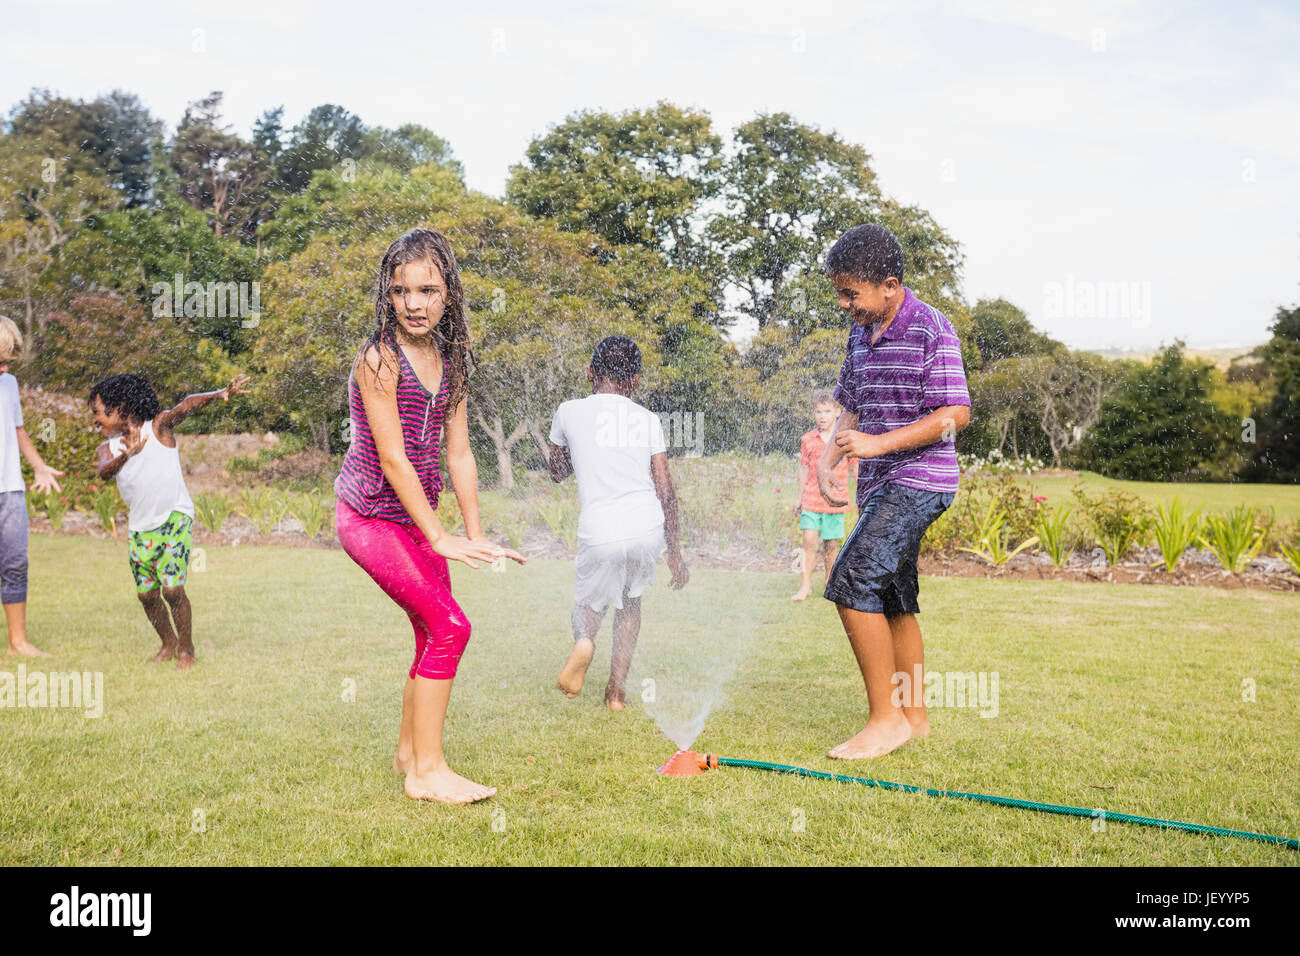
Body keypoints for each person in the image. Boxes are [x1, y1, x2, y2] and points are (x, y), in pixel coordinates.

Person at [334, 228, 523, 805]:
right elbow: (393, 457)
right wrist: (438, 536)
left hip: (418, 521)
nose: (413, 304)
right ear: (387, 296)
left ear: (449, 295)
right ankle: (428, 773)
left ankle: (408, 753)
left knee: (430, 630)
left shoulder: (454, 359)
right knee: (450, 627)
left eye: (427, 290)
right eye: (400, 291)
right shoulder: (378, 360)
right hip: (368, 517)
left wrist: (473, 534)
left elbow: (459, 453)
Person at [816, 224, 971, 759]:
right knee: (893, 599)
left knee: (852, 581)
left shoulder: (931, 328)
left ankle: (885, 722)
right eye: (838, 292)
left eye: (850, 293)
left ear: (888, 284)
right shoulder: (861, 331)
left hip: (921, 481)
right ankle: (914, 718)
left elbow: (955, 415)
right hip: (883, 483)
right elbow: (852, 405)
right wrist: (829, 459)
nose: (843, 304)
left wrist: (879, 446)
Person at [549, 336, 688, 710]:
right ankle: (616, 692)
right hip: (646, 525)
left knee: (589, 606)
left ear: (590, 372)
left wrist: (577, 447)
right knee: (630, 604)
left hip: (601, 526)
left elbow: (557, 472)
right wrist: (674, 551)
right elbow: (665, 488)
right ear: (636, 380)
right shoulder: (647, 419)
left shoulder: (569, 411)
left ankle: (584, 642)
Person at [92, 372, 249, 670]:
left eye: (99, 413)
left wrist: (219, 394)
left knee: (173, 590)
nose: (95, 420)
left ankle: (187, 649)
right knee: (147, 594)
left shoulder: (158, 428)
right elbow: (103, 472)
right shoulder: (108, 449)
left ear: (121, 407)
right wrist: (127, 455)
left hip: (174, 518)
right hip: (140, 528)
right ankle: (169, 642)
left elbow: (185, 406)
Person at [0, 316, 65, 657]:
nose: (6, 366)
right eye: (1, 360)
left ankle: (17, 642)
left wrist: (39, 467)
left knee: (15, 562)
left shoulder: (8, 384)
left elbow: (18, 431)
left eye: (10, 359)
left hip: (9, 489)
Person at [792, 392, 857, 602]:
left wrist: (861, 495)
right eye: (818, 411)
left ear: (838, 413)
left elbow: (855, 469)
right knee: (808, 541)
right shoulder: (808, 439)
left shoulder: (844, 439)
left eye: (827, 411)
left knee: (831, 545)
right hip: (811, 499)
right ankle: (805, 586)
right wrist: (798, 498)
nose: (822, 416)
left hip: (836, 500)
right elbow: (803, 469)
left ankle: (829, 584)